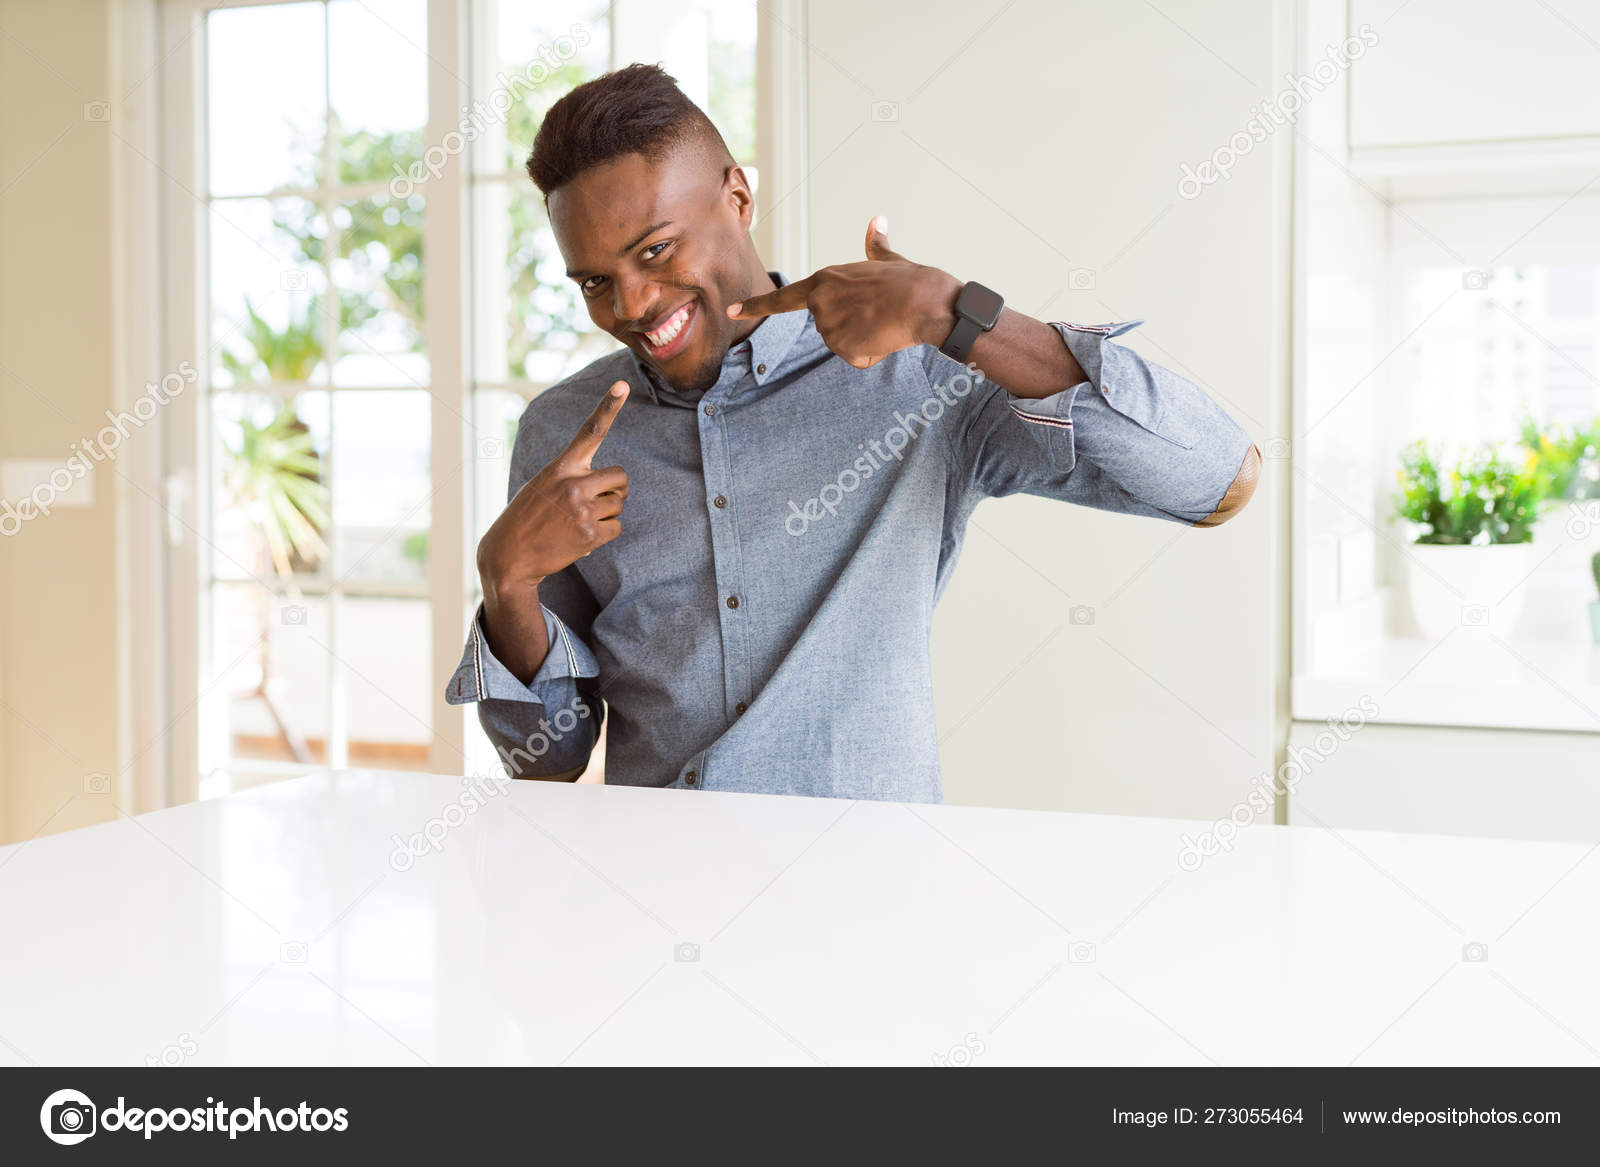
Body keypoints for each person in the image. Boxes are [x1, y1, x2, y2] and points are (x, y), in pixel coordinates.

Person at [447, 63, 1260, 801]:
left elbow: (1220, 480)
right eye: (595, 281)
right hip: (658, 904)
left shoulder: (918, 375)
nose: (627, 306)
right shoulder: (563, 431)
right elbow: (546, 762)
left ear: (736, 198)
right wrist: (506, 585)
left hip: (870, 909)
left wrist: (955, 314)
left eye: (654, 250)